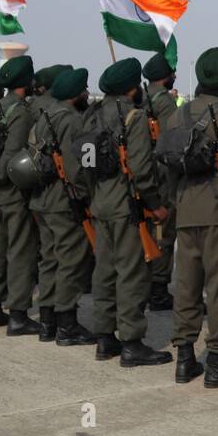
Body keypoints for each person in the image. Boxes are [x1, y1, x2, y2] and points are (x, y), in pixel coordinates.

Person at [79, 57, 170, 366]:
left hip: (100, 204)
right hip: (127, 206)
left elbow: (83, 166)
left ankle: (105, 337)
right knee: (131, 274)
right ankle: (131, 342)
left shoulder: (91, 117)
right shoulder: (134, 118)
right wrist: (155, 204)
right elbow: (143, 169)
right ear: (132, 89)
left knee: (103, 271)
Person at [166, 48, 218, 388]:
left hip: (185, 210)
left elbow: (168, 167)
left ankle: (185, 358)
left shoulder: (176, 117)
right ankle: (217, 360)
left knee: (186, 284)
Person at [28, 67, 97, 347]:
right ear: (75, 94)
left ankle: (48, 321)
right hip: (62, 200)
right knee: (70, 261)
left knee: (49, 259)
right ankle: (66, 324)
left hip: (43, 198)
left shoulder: (45, 116)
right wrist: (85, 196)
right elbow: (74, 167)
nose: (86, 94)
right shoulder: (71, 120)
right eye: (84, 90)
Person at [0, 55, 42, 336]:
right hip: (12, 191)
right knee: (20, 252)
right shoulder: (21, 112)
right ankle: (17, 314)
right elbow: (13, 154)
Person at [142, 53, 178, 312]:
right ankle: (158, 288)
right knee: (164, 232)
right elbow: (171, 139)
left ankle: (146, 284)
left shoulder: (141, 98)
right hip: (162, 175)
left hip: (143, 172)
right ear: (166, 77)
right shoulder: (164, 102)